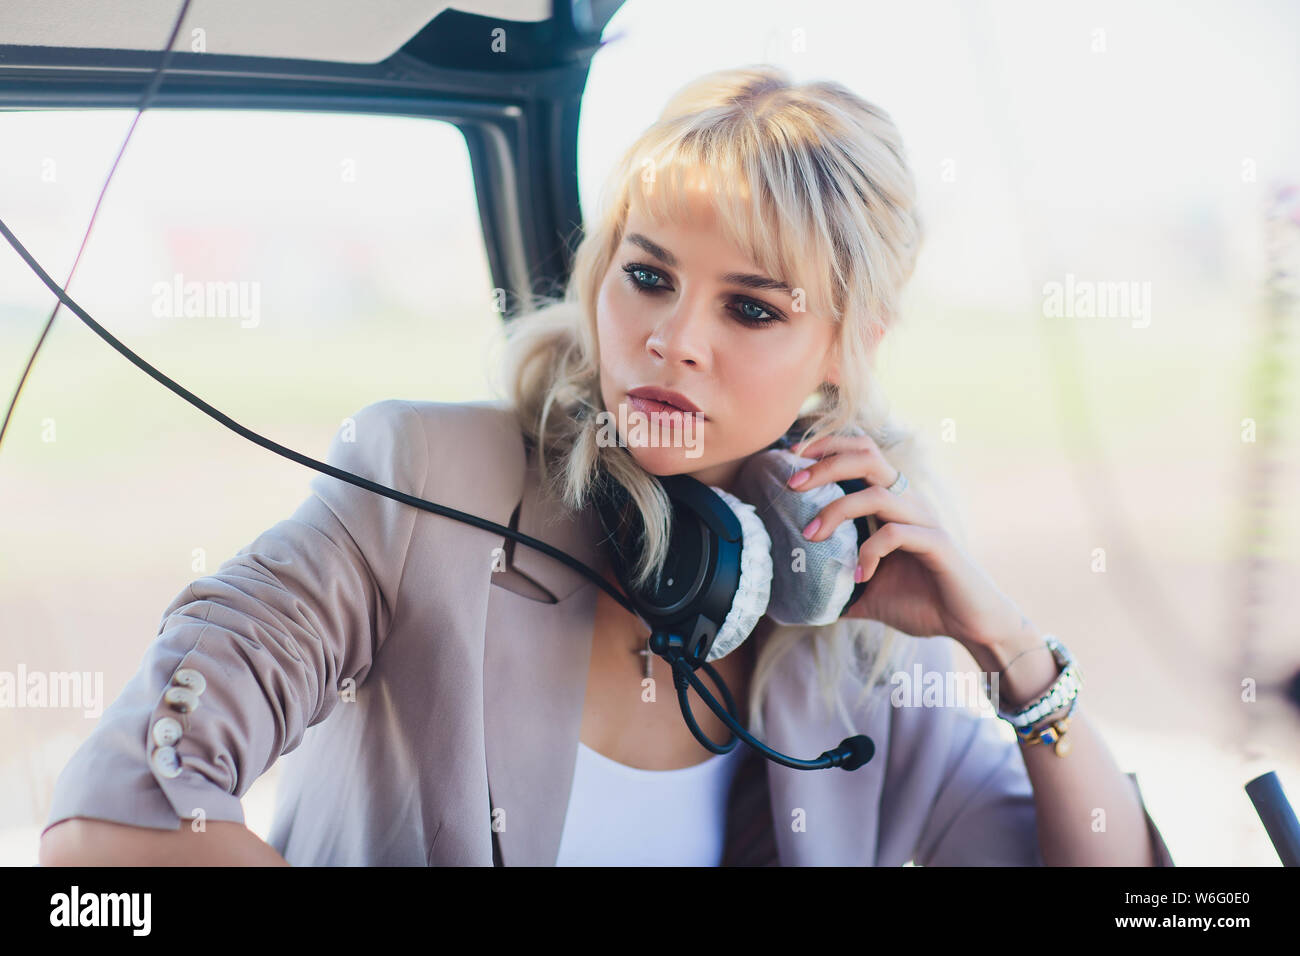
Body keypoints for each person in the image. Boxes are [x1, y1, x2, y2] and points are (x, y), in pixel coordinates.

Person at [39, 65, 1173, 867]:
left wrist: (1013, 655)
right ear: (597, 281)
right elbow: (113, 819)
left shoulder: (855, 631)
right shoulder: (421, 482)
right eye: (648, 275)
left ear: (847, 346)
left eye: (750, 305)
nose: (676, 338)